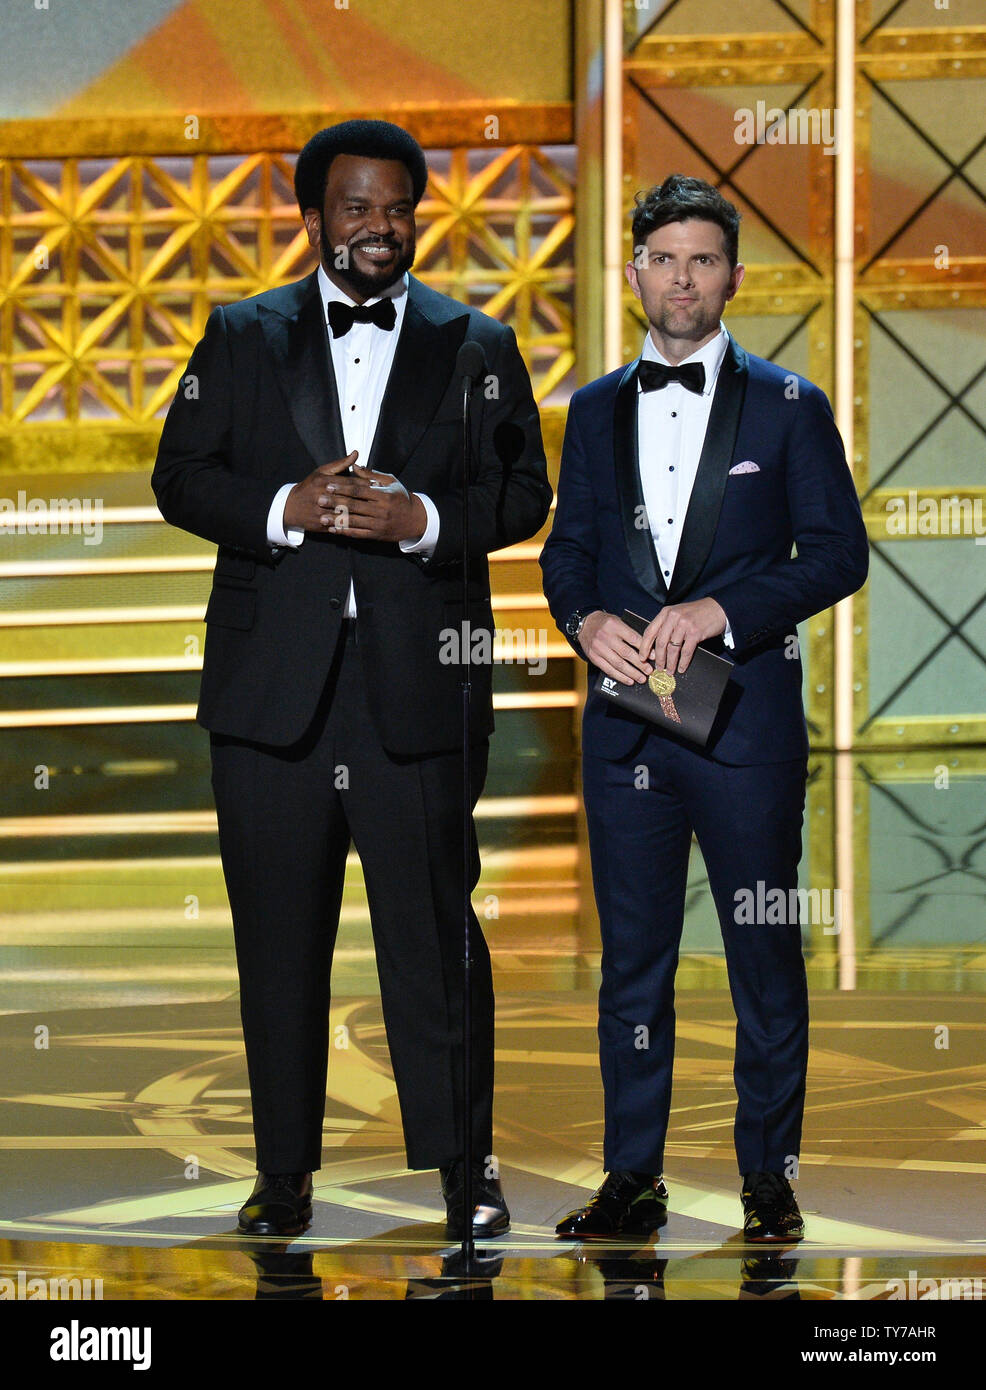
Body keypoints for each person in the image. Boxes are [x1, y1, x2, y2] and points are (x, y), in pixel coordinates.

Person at [152, 120, 552, 1239]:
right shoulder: (239, 334)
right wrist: (288, 506)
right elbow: (178, 476)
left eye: (395, 208)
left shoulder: (476, 340)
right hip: (269, 695)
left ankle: (462, 1169)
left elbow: (525, 497)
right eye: (354, 207)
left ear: (417, 213)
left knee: (433, 945)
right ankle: (282, 1176)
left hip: (416, 692)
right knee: (276, 946)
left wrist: (419, 520)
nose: (376, 227)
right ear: (312, 215)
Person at [540, 175, 868, 1243]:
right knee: (631, 960)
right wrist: (582, 618)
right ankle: (632, 1179)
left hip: (746, 729)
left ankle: (766, 1182)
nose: (680, 278)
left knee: (760, 955)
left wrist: (724, 607)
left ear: (730, 275)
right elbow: (567, 553)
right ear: (631, 271)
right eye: (662, 258)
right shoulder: (591, 410)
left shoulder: (788, 405)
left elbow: (836, 555)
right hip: (628, 721)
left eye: (702, 259)